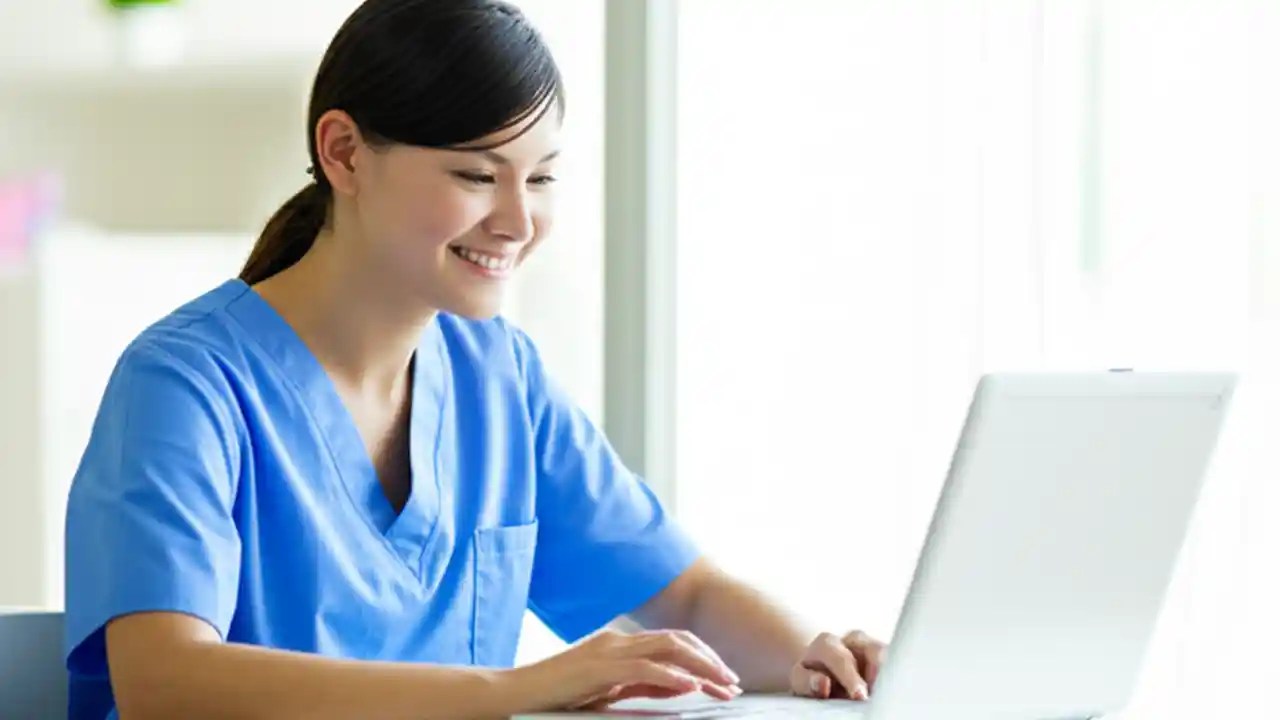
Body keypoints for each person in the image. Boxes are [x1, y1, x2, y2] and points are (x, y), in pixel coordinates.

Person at [62, 1, 886, 718]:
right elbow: (165, 683)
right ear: (344, 153)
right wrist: (519, 688)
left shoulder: (500, 379)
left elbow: (688, 597)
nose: (518, 221)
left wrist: (819, 660)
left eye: (542, 179)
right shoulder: (185, 385)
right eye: (477, 175)